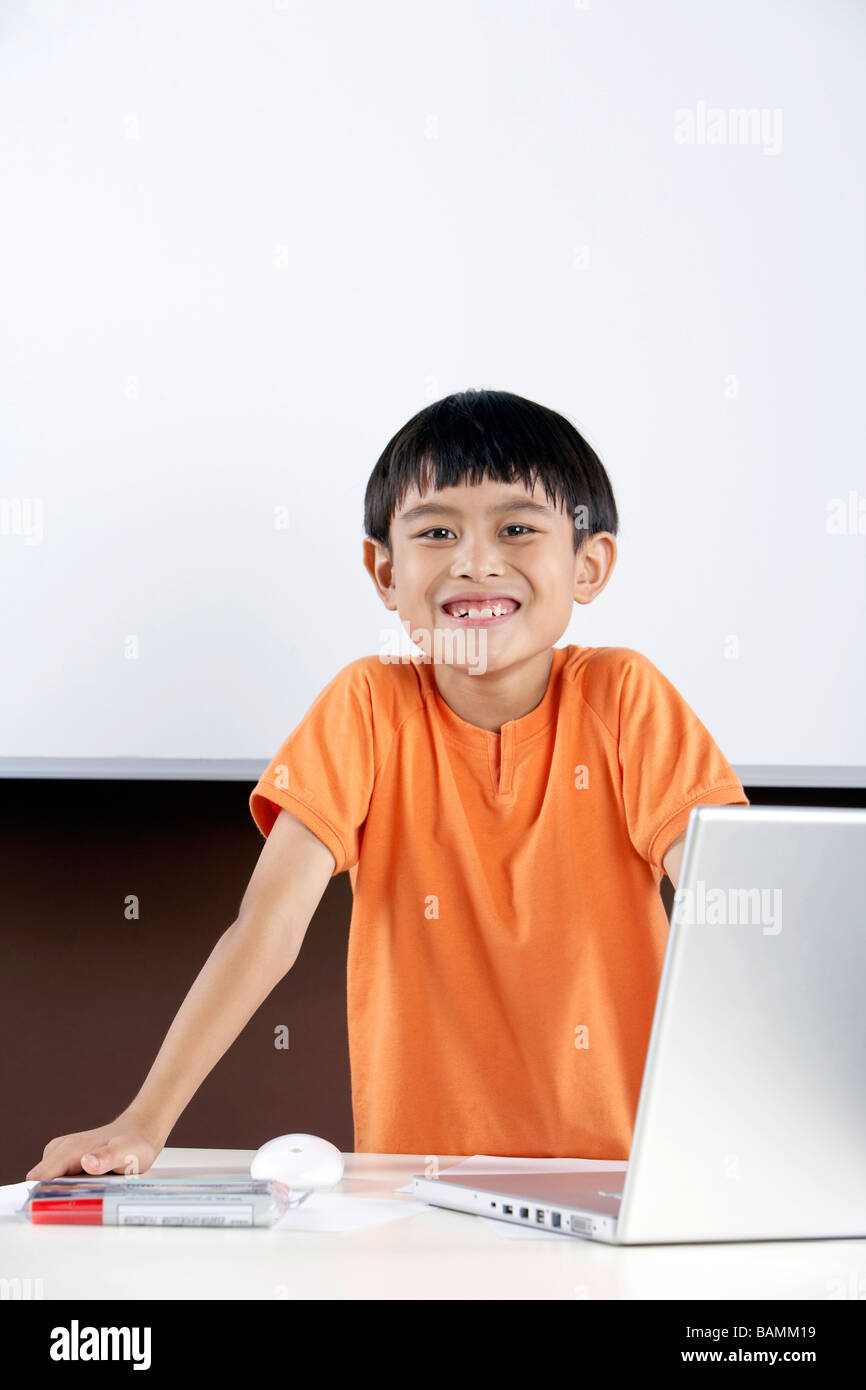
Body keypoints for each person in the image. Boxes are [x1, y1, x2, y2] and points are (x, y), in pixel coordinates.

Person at [26, 388, 748, 1178]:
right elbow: (267, 929)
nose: (475, 560)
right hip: (419, 1185)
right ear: (385, 573)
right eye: (437, 532)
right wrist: (142, 1121)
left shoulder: (626, 698)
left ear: (589, 565)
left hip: (627, 1176)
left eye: (517, 528)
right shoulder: (368, 707)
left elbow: (732, 913)